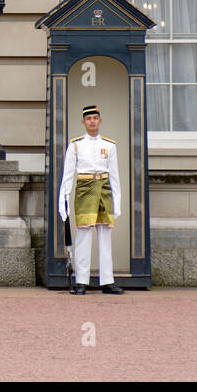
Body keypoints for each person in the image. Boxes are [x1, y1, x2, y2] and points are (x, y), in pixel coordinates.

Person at [58, 104, 124, 295]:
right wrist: (63, 200)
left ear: (100, 121)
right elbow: (68, 175)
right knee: (83, 236)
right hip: (85, 190)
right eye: (89, 119)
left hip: (103, 189)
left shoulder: (109, 145)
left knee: (105, 236)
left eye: (95, 118)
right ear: (83, 122)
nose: (92, 121)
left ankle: (107, 281)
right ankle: (81, 281)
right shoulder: (76, 144)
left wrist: (117, 203)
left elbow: (115, 177)